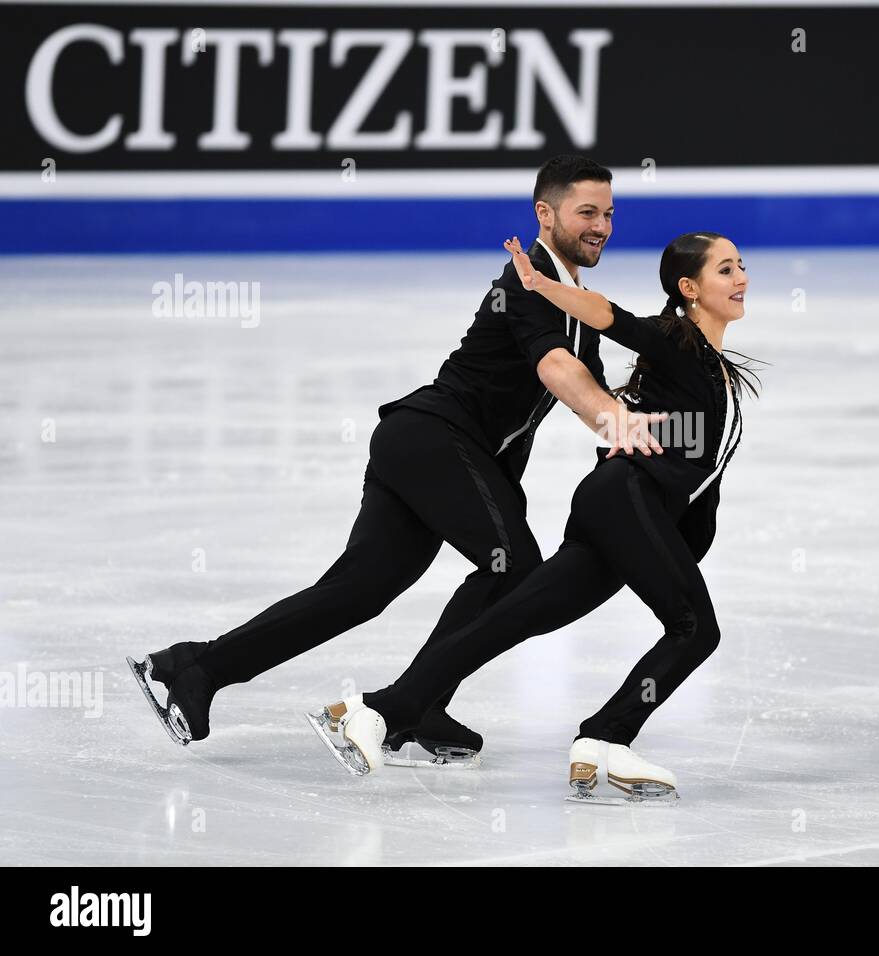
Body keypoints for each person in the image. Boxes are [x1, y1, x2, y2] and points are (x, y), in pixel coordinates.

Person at [128, 156, 665, 767]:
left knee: (358, 591)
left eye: (610, 214)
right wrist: (613, 421)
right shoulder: (523, 281)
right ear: (545, 214)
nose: (602, 226)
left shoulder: (572, 301)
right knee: (515, 570)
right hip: (436, 441)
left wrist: (643, 422)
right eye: (587, 212)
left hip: (425, 448)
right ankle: (412, 703)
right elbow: (558, 371)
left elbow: (586, 389)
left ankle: (192, 669)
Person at [313, 231, 761, 802]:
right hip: (625, 502)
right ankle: (606, 737)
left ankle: (379, 709)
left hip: (620, 507)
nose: (742, 277)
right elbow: (609, 316)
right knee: (697, 629)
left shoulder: (712, 368)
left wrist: (687, 538)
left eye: (741, 265)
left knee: (517, 617)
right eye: (726, 270)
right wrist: (544, 285)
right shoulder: (680, 343)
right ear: (689, 288)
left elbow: (698, 466)